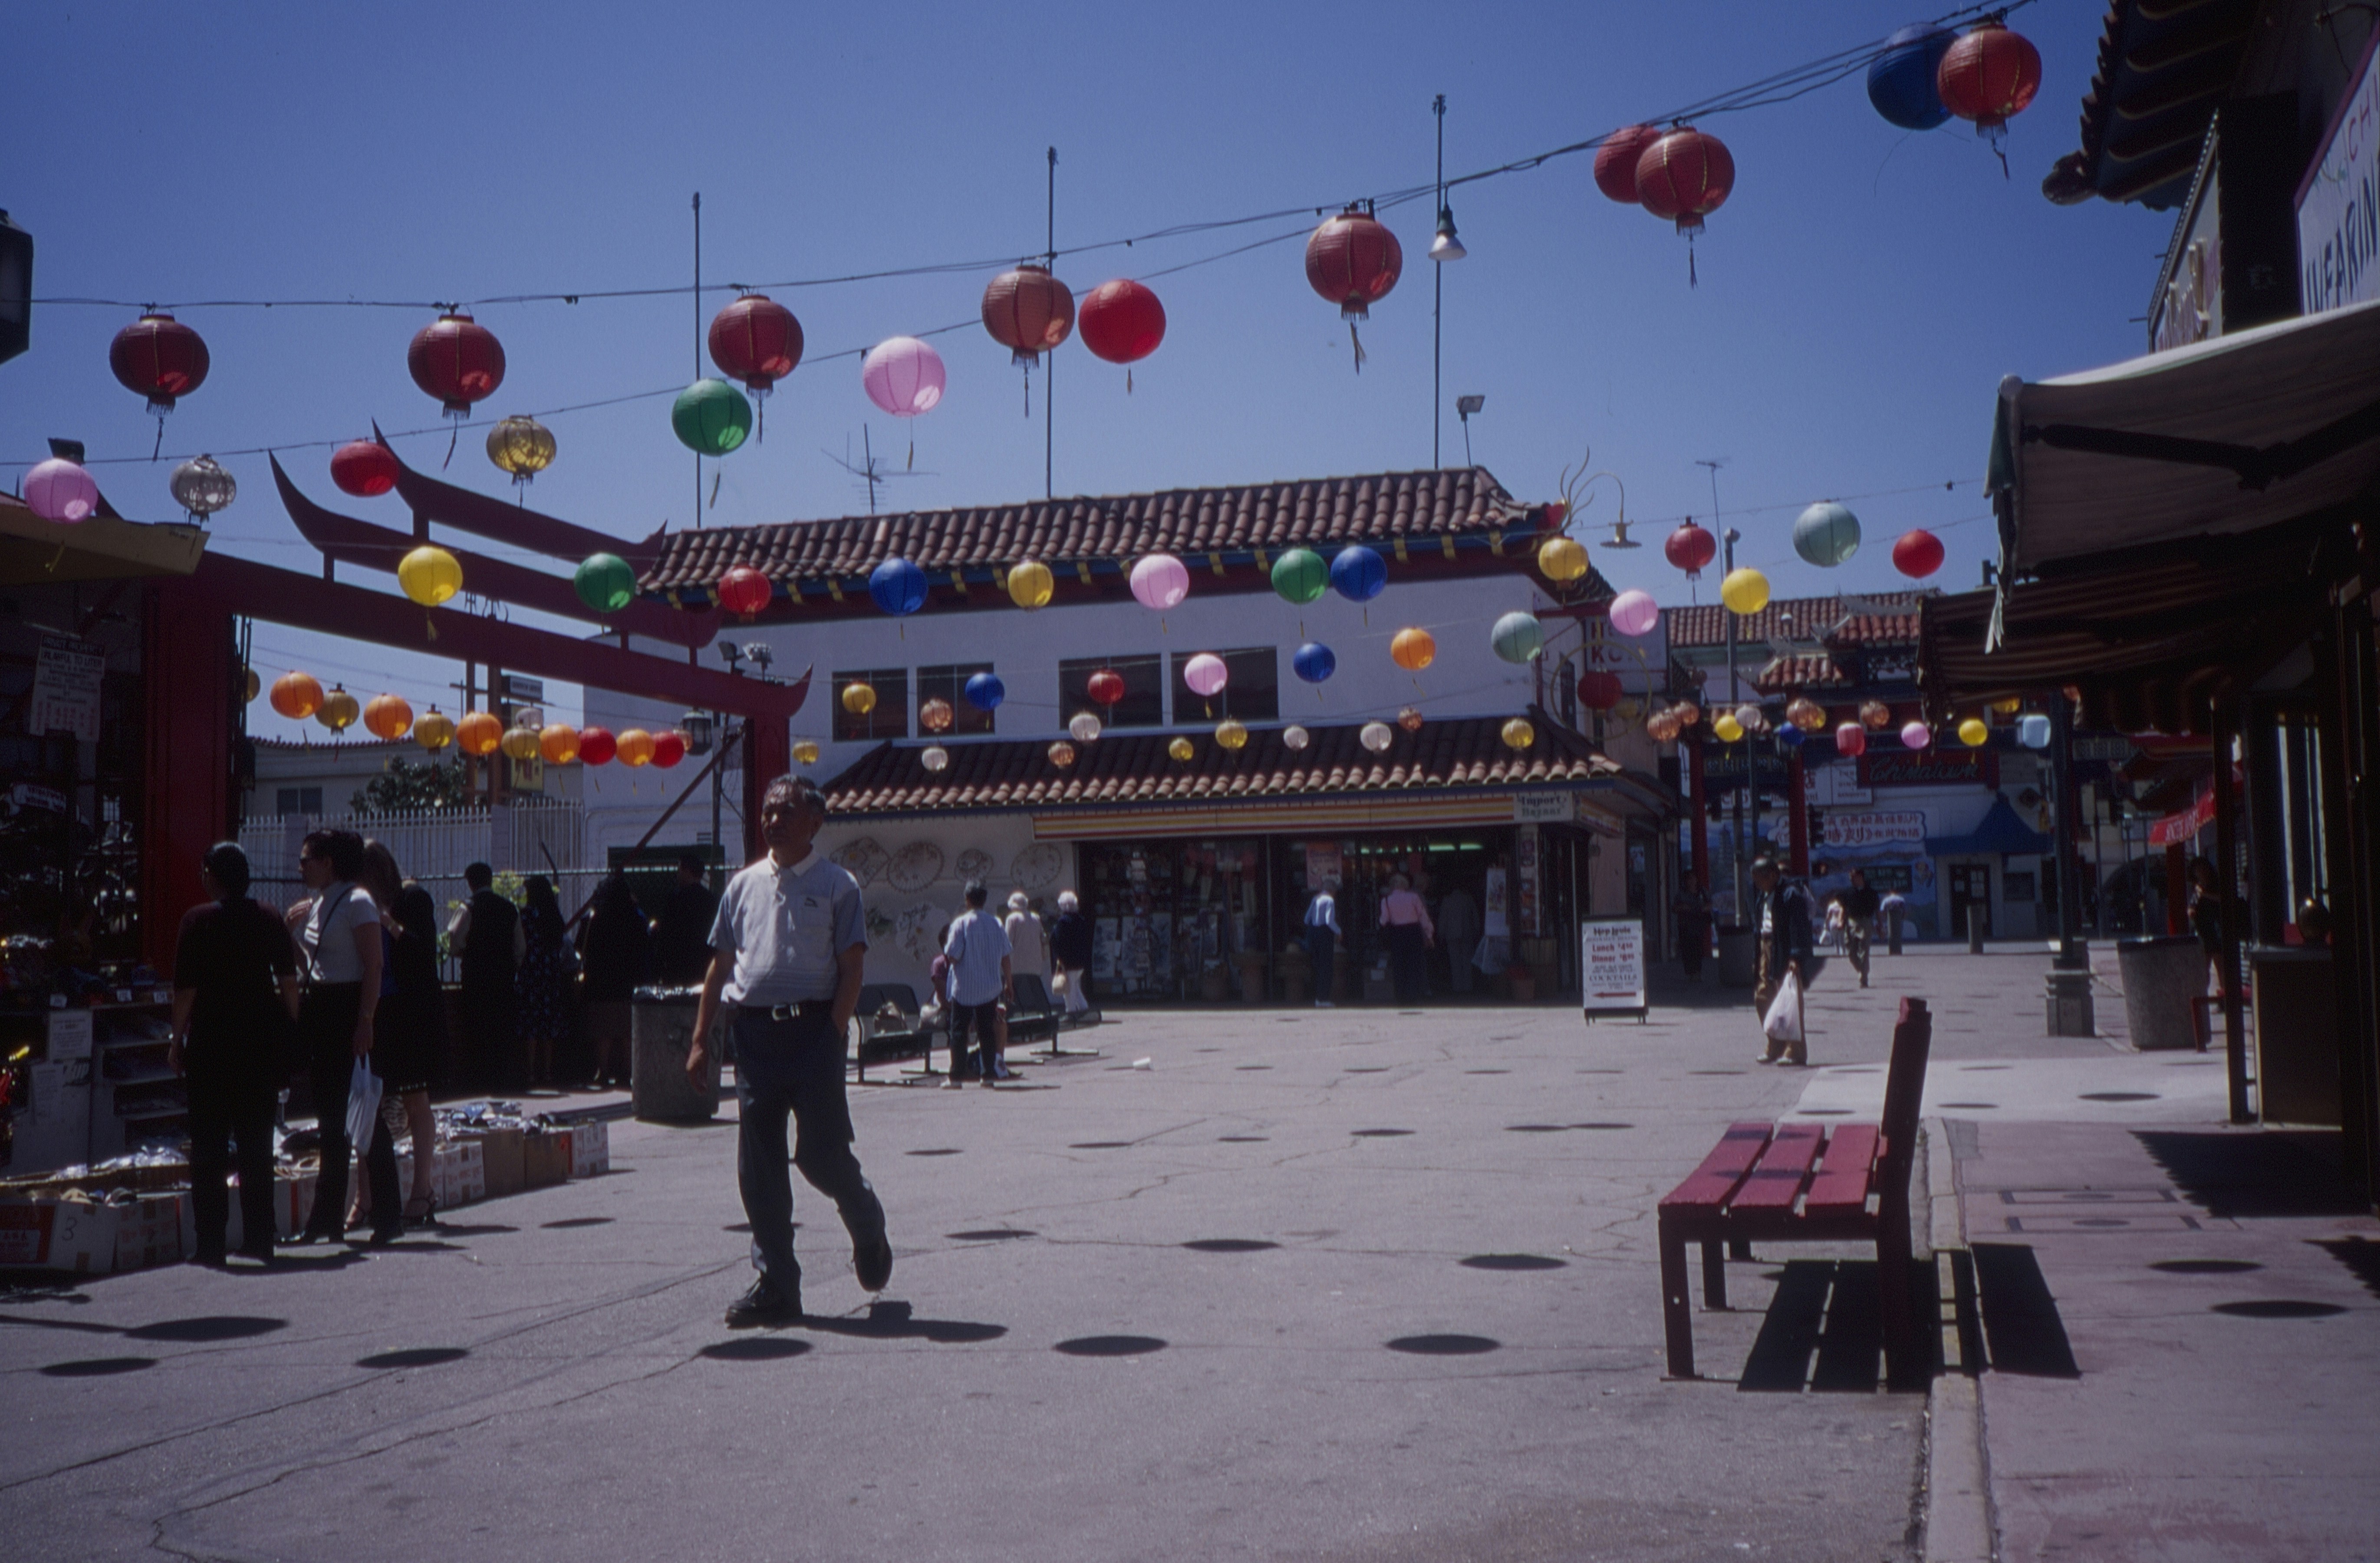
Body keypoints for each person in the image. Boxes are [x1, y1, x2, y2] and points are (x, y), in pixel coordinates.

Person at [686, 774, 891, 1326]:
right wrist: (701, 1039)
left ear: (814, 821)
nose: (773, 820)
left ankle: (867, 1221)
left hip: (814, 1035)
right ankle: (777, 1282)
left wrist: (833, 1032)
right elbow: (721, 966)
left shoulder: (837, 885)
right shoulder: (742, 885)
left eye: (786, 811)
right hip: (754, 1037)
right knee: (759, 1167)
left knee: (820, 1156)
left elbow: (852, 967)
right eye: (768, 810)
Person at [170, 842, 300, 1266]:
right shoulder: (268, 917)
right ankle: (261, 1239)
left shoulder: (196, 920)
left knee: (208, 1147)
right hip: (259, 1045)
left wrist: (176, 1042)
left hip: (210, 1044)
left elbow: (186, 992)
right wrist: (289, 1027)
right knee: (256, 1146)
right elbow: (288, 981)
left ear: (212, 875)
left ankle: (210, 1244)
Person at [287, 828, 399, 1244]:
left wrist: (366, 1020)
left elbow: (373, 965)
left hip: (352, 1007)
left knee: (365, 1117)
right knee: (331, 1121)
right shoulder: (314, 905)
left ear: (328, 862)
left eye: (307, 859)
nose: (301, 867)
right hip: (322, 1007)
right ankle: (325, 1219)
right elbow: (310, 967)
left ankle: (388, 1215)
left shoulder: (358, 901)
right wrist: (289, 933)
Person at [355, 841, 441, 1231]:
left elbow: (424, 954)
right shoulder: (357, 907)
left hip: (410, 1013)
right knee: (368, 1104)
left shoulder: (413, 899)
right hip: (378, 1011)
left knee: (415, 1100)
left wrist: (388, 921)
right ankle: (366, 1196)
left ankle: (421, 1190)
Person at [448, 861, 523, 1090]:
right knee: (500, 1030)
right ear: (491, 880)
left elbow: (454, 937)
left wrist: (462, 952)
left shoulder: (468, 907)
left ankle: (478, 1080)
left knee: (475, 1029)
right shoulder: (510, 908)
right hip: (503, 980)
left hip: (475, 979)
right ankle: (499, 1078)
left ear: (470, 883)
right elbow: (520, 948)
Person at [578, 873, 650, 1088]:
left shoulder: (594, 917)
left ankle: (603, 1070)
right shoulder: (636, 916)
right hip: (629, 981)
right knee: (628, 1030)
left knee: (603, 1030)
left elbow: (581, 947)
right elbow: (645, 946)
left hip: (601, 981)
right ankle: (627, 1072)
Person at [941, 881, 1013, 1088]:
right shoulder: (996, 923)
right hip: (990, 986)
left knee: (959, 1032)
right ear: (984, 900)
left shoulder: (961, 924)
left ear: (967, 900)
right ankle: (988, 1075)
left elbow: (953, 956)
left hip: (964, 987)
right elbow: (1006, 956)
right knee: (987, 1032)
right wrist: (1009, 982)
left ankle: (956, 1077)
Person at [1749, 856, 1816, 1066]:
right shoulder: (1764, 895)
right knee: (1763, 995)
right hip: (1766, 945)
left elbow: (1799, 927)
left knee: (1790, 1000)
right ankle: (1774, 1042)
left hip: (1785, 949)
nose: (1759, 884)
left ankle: (1795, 1049)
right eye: (1756, 880)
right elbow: (1760, 926)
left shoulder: (1791, 894)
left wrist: (1796, 956)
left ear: (1774, 875)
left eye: (1762, 879)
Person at [515, 875, 571, 1088]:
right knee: (549, 1023)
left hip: (531, 971)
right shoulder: (554, 915)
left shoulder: (526, 915)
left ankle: (530, 1071)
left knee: (531, 1022)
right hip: (550, 971)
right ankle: (547, 1071)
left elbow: (520, 944)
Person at [652, 854, 721, 986]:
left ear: (688, 871)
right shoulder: (712, 900)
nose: (678, 874)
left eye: (680, 870)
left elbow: (665, 936)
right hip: (704, 964)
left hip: (677, 966)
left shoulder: (675, 900)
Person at [1377, 872, 1435, 1004]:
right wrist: (1429, 934)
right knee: (1414, 965)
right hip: (1413, 932)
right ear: (1406, 885)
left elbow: (1384, 920)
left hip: (1397, 934)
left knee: (1399, 965)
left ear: (1392, 886)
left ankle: (1401, 996)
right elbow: (1423, 917)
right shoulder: (1414, 897)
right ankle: (1412, 996)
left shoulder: (1386, 901)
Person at [1049, 890, 1093, 1019]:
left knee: (1069, 990)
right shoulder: (1081, 920)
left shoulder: (1063, 922)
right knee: (1074, 986)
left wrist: (1059, 959)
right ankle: (1084, 1008)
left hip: (1068, 962)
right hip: (1080, 961)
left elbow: (1058, 942)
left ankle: (1071, 1013)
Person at [1838, 868, 1880, 989]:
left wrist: (1880, 926)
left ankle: (1864, 979)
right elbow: (1843, 909)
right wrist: (1841, 921)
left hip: (1866, 922)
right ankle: (1863, 970)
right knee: (1851, 952)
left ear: (1860, 877)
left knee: (1864, 951)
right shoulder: (1848, 893)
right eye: (1850, 877)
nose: (1851, 879)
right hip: (1852, 922)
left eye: (1853, 877)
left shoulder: (1871, 893)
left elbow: (1877, 910)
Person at [1438, 883, 1481, 996]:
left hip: (1452, 935)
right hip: (1468, 934)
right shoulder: (1468, 899)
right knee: (1467, 961)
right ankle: (1468, 987)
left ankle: (1457, 988)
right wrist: (1477, 930)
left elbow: (1443, 919)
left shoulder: (1447, 901)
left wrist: (1441, 934)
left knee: (1455, 962)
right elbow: (1475, 916)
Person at [1304, 879, 1341, 1008]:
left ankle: (1317, 997)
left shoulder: (1316, 898)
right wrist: (1339, 931)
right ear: (1333, 890)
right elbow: (1329, 920)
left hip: (1314, 933)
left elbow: (1306, 919)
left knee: (1318, 966)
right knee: (1326, 966)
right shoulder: (1330, 900)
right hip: (1325, 934)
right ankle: (1323, 998)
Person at [1674, 869, 1712, 983]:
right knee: (1687, 949)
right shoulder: (1681, 893)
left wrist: (1703, 909)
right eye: (1689, 879)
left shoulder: (1702, 892)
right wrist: (1684, 908)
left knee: (1698, 949)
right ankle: (1690, 973)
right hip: (1685, 925)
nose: (1691, 881)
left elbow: (1710, 904)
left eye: (1693, 879)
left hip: (1698, 925)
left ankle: (1697, 973)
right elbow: (1674, 908)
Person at [1879, 887, 1909, 954]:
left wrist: (1886, 918)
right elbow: (1905, 910)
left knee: (1891, 934)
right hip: (1899, 920)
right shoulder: (1901, 900)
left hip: (1890, 920)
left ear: (1890, 893)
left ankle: (1892, 950)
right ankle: (1898, 949)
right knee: (1898, 934)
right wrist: (1902, 918)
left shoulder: (1887, 900)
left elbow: (1882, 910)